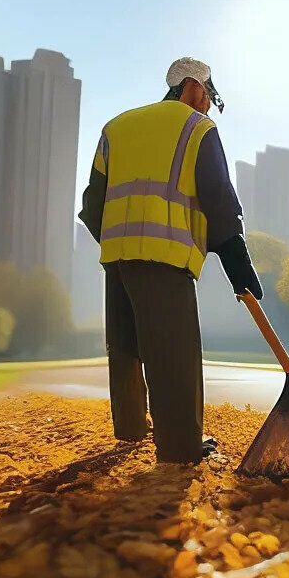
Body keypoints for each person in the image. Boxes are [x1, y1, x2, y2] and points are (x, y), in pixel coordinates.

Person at [78, 57, 263, 463]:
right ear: (193, 86)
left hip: (117, 257)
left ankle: (131, 429)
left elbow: (92, 206)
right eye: (208, 95)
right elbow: (218, 199)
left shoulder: (116, 126)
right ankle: (181, 447)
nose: (208, 105)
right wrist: (239, 266)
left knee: (125, 345)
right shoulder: (197, 129)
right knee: (173, 352)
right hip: (165, 257)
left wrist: (119, 242)